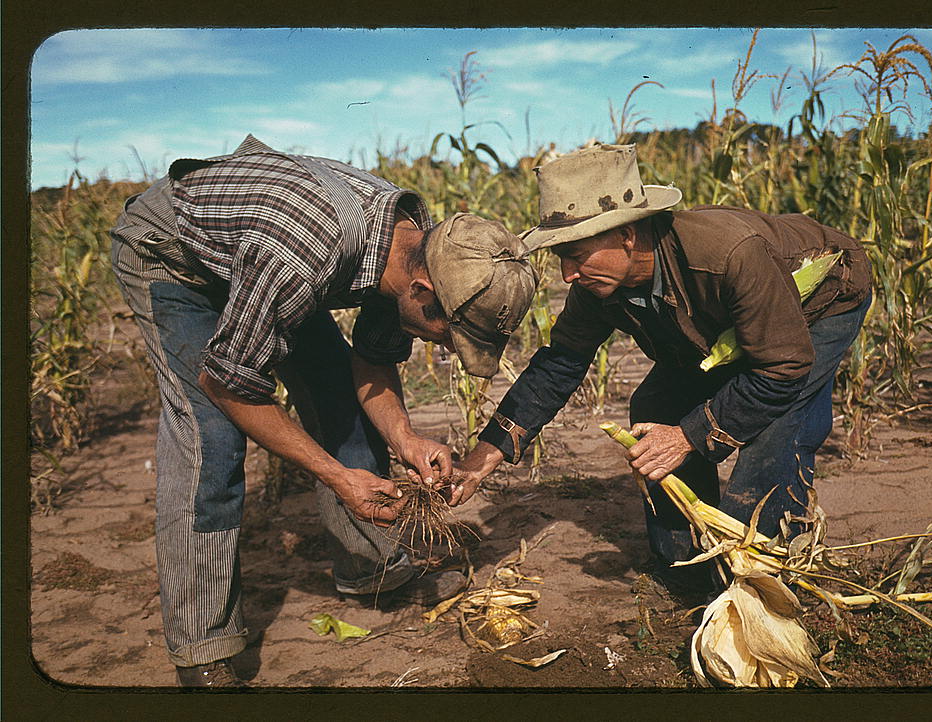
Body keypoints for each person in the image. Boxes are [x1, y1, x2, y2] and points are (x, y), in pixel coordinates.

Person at [109, 134, 537, 687]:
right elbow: (227, 383)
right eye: (450, 334)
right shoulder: (305, 248)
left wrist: (404, 439)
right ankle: (202, 646)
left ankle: (369, 568)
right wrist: (337, 476)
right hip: (174, 259)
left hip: (262, 263)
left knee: (337, 392)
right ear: (423, 291)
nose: (448, 349)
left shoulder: (415, 247)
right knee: (210, 437)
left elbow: (370, 364)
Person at [448, 143, 872, 600]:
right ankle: (684, 561)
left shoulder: (729, 255)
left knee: (775, 433)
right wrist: (485, 455)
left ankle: (766, 574)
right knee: (654, 407)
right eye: (560, 259)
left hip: (820, 302)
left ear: (627, 235)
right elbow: (559, 364)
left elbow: (782, 367)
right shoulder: (596, 288)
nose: (568, 274)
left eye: (576, 254)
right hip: (723, 324)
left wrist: (689, 435)